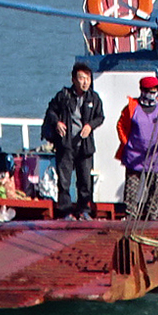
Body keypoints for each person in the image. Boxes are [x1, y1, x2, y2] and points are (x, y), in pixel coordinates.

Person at [42, 62, 104, 219]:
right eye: (81, 78)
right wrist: (57, 122)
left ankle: (84, 210)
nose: (85, 82)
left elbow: (100, 117)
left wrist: (90, 125)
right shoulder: (63, 96)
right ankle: (65, 211)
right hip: (66, 144)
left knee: (85, 181)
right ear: (73, 80)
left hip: (85, 145)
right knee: (64, 181)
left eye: (88, 78)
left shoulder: (94, 98)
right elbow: (51, 111)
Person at [115, 75, 158, 221]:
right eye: (149, 90)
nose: (152, 94)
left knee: (155, 189)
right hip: (134, 156)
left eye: (155, 90)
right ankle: (130, 215)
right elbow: (121, 126)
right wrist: (127, 143)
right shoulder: (132, 107)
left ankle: (152, 216)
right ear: (142, 90)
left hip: (157, 156)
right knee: (131, 188)